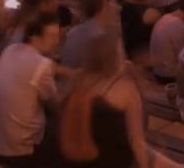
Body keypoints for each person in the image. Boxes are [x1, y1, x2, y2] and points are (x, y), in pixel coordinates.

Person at [55, 36, 152, 168]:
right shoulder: (125, 88)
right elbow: (137, 141)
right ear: (116, 58)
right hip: (112, 160)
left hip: (76, 159)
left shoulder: (77, 81)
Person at [0, 8, 69, 168]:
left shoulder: (10, 50)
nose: (56, 41)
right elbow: (55, 105)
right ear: (34, 36)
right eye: (51, 36)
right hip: (24, 152)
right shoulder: (42, 65)